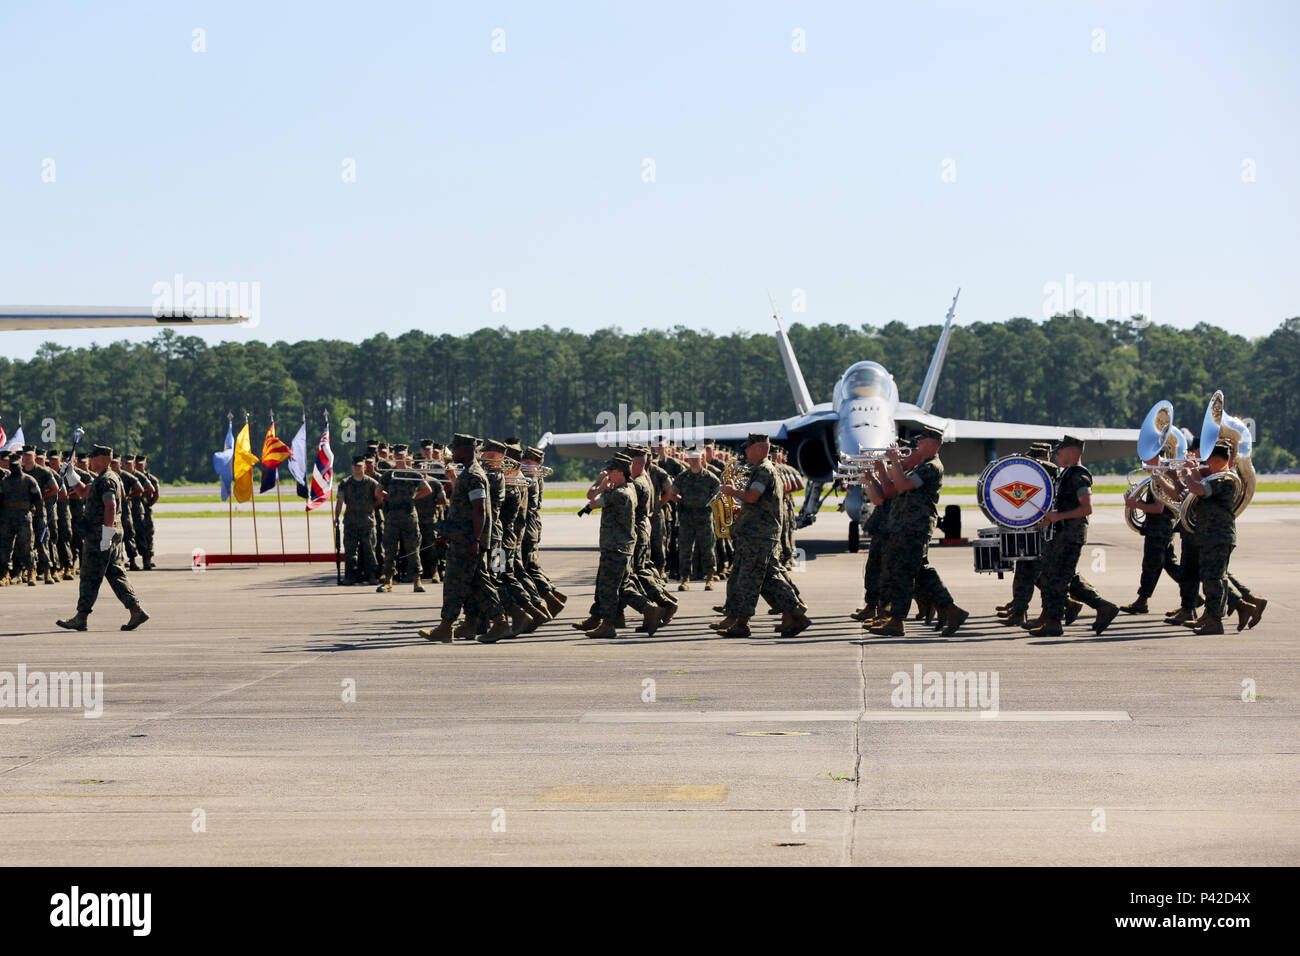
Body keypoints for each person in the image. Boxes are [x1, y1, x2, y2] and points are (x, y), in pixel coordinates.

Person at [867, 426, 968, 637]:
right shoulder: (922, 465)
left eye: (921, 441)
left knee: (905, 573)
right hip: (905, 526)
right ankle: (951, 610)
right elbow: (890, 488)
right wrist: (884, 468)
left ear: (932, 443)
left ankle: (897, 620)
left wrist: (894, 461)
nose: (918, 444)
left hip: (915, 527)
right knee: (919, 572)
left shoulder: (931, 467)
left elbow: (903, 486)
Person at [712, 434, 809, 638]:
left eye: (748, 448)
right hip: (756, 535)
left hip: (759, 536)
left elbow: (752, 497)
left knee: (751, 578)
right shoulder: (761, 470)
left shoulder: (764, 471)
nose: (745, 452)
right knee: (766, 578)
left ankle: (743, 622)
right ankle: (793, 614)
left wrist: (732, 491)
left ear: (759, 448)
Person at [417, 434, 510, 644]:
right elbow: (464, 511)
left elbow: (480, 511)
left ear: (466, 450)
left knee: (455, 583)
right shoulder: (468, 473)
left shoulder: (474, 475)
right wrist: (448, 535)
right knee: (477, 584)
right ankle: (494, 622)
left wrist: (475, 540)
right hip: (462, 538)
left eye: (456, 449)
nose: (453, 453)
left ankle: (448, 626)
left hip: (468, 541)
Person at [1027, 436, 1119, 637]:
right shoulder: (1067, 475)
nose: (1056, 455)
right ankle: (1102, 608)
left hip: (1070, 536)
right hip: (1063, 533)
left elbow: (1087, 508)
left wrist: (1058, 516)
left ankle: (1053, 623)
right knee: (1055, 576)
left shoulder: (1079, 477)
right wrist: (1051, 519)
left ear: (1072, 451)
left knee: (1058, 580)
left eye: (1059, 452)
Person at [56, 444, 148, 632]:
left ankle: (81, 617)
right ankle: (136, 610)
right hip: (104, 536)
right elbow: (83, 492)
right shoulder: (103, 478)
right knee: (115, 574)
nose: (90, 461)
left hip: (100, 536)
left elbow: (111, 506)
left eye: (94, 458)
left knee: (89, 576)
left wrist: (106, 534)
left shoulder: (107, 480)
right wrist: (70, 474)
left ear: (104, 459)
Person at [578, 455, 662, 638]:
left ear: (620, 472)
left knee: (608, 588)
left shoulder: (618, 494)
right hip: (621, 547)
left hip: (615, 547)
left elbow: (592, 502)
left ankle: (608, 625)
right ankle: (649, 610)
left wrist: (601, 486)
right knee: (623, 587)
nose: (608, 473)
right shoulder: (628, 488)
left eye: (611, 471)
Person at [375, 444, 431, 593]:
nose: (399, 457)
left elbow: (427, 489)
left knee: (413, 549)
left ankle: (416, 581)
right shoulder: (388, 475)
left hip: (409, 516)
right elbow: (378, 491)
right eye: (397, 455)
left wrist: (413, 498)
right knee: (390, 549)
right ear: (393, 456)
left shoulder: (414, 474)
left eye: (402, 455)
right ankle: (388, 580)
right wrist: (390, 498)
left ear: (406, 455)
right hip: (392, 516)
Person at [667, 447, 720, 590]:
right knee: (685, 550)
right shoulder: (682, 477)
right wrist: (682, 501)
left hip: (704, 518)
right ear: (688, 459)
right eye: (692, 458)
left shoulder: (709, 477)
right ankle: (685, 579)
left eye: (697, 458)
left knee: (707, 549)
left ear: (701, 458)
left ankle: (709, 577)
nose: (695, 460)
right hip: (686, 518)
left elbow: (719, 494)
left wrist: (709, 504)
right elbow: (672, 494)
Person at [335, 455, 381, 585]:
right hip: (351, 522)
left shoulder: (372, 483)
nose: (357, 468)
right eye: (355, 466)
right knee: (350, 551)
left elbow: (380, 497)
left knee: (370, 550)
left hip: (367, 522)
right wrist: (336, 517)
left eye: (360, 466)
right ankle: (350, 577)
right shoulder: (345, 483)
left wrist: (371, 506)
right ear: (352, 467)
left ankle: (372, 575)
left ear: (364, 467)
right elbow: (340, 501)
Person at [0, 453, 42, 586]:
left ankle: (30, 572)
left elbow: (38, 497)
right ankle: (5, 573)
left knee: (26, 546)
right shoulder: (4, 482)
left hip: (24, 517)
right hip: (7, 518)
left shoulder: (29, 480)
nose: (14, 468)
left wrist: (30, 507)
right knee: (5, 547)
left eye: (16, 465)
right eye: (12, 466)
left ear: (21, 465)